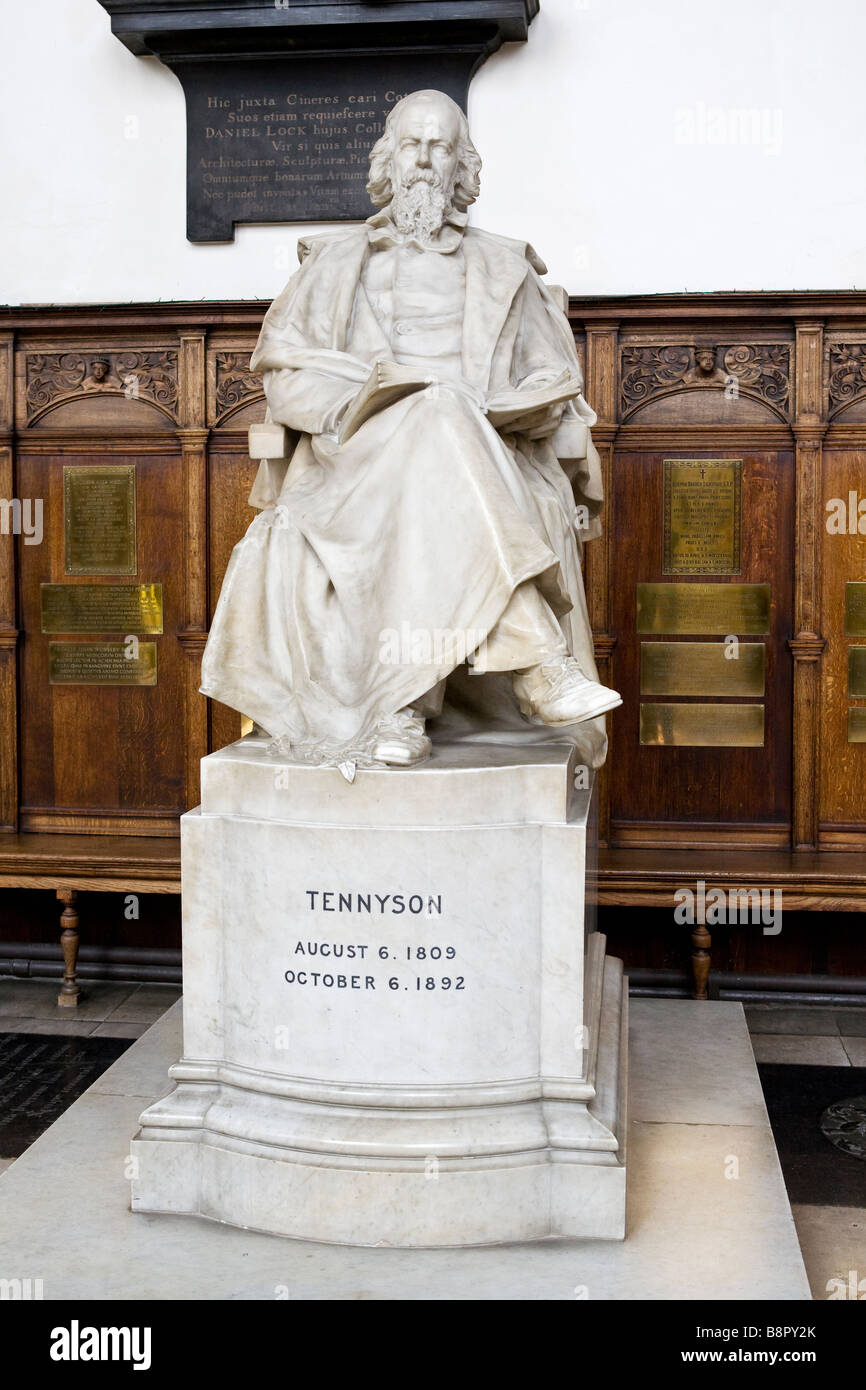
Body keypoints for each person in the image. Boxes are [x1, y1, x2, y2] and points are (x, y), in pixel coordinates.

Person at [201, 89, 621, 768]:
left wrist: (517, 403)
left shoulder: (506, 270)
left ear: (464, 168)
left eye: (441, 146)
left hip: (486, 445)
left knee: (445, 415)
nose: (425, 160)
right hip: (351, 459)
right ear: (388, 161)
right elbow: (283, 375)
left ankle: (402, 706)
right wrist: (362, 403)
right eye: (411, 145)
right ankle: (537, 659)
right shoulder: (332, 267)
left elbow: (555, 381)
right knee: (435, 409)